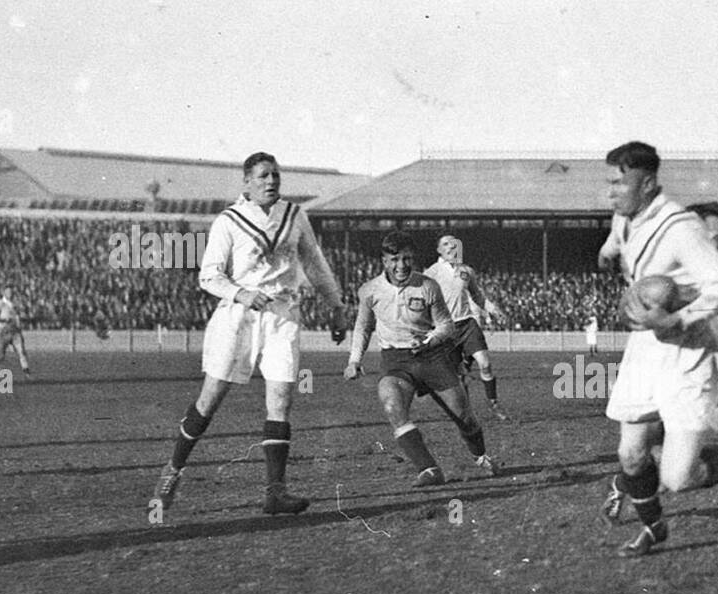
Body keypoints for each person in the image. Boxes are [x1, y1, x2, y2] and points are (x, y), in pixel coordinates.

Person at [598, 141, 718, 558]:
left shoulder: (681, 230)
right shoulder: (624, 217)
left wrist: (677, 314)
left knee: (680, 477)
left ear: (647, 185)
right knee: (630, 454)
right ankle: (653, 528)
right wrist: (607, 253)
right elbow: (617, 239)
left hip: (690, 358)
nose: (610, 191)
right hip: (645, 352)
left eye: (619, 183)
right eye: (609, 182)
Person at [153, 152, 349, 515]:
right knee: (209, 399)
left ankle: (275, 492)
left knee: (281, 401)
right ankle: (173, 470)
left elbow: (315, 263)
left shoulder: (295, 215)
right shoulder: (228, 221)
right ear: (246, 182)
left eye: (275, 175)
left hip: (283, 315)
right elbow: (208, 275)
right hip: (238, 317)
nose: (271, 181)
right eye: (262, 176)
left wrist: (336, 307)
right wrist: (242, 293)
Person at [344, 231, 500, 485]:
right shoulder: (370, 291)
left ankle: (481, 456)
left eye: (406, 259)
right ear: (384, 260)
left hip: (433, 358)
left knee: (464, 417)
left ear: (413, 258)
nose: (401, 265)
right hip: (396, 360)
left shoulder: (427, 286)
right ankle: (428, 469)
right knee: (392, 406)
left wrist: (427, 340)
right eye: (394, 259)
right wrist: (354, 361)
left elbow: (446, 326)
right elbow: (363, 327)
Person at [422, 235, 510, 421]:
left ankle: (494, 404)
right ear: (438, 250)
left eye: (454, 244)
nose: (451, 247)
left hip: (467, 324)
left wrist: (494, 310)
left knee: (485, 363)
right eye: (446, 244)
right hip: (446, 329)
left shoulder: (466, 271)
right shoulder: (431, 273)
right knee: (460, 375)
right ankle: (466, 412)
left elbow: (478, 296)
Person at [0, 286, 31, 377]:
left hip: (15, 331)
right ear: (4, 293)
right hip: (3, 331)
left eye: (11, 292)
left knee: (21, 351)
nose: (10, 294)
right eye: (8, 292)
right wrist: (2, 320)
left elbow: (21, 314)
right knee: (0, 355)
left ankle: (27, 373)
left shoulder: (16, 303)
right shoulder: (0, 304)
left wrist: (22, 317)